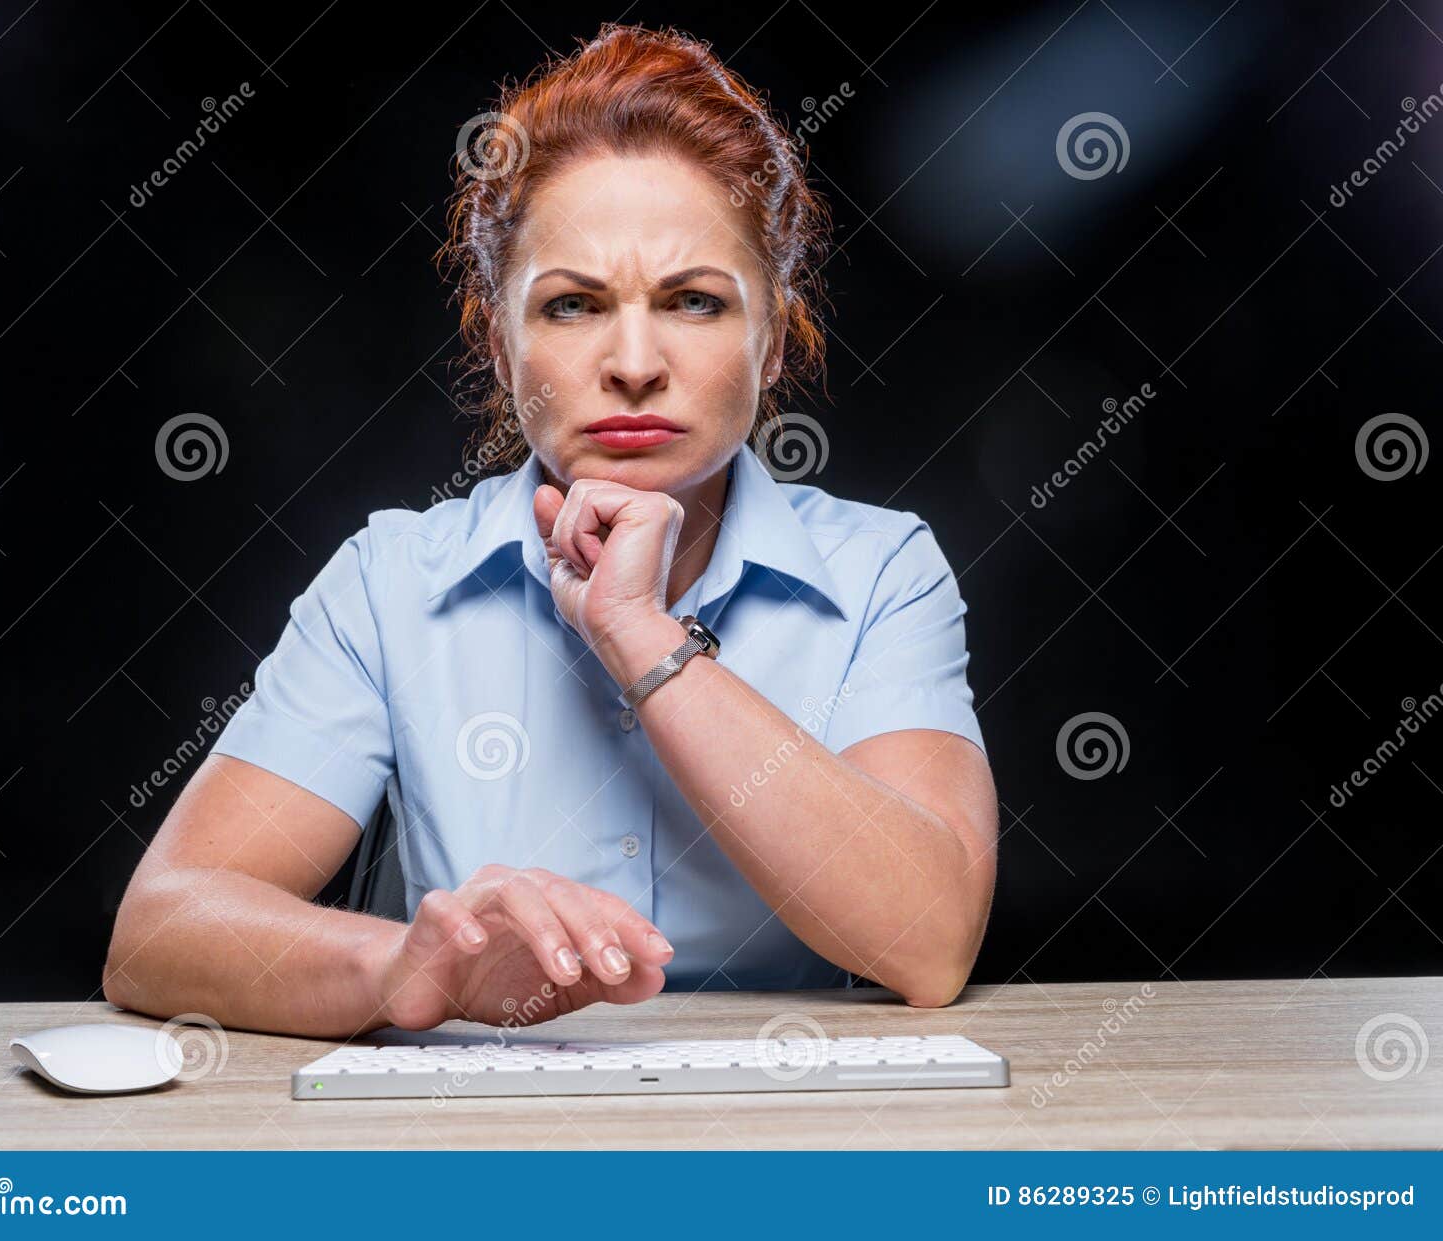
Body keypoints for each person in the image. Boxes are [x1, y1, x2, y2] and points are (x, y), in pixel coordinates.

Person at [103, 23, 998, 1038]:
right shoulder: (392, 583)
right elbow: (158, 933)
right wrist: (402, 965)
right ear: (500, 341)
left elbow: (929, 943)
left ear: (772, 337)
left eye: (693, 301)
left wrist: (639, 634)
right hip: (481, 1121)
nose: (634, 363)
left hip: (792, 1112)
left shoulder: (880, 570)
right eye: (572, 305)